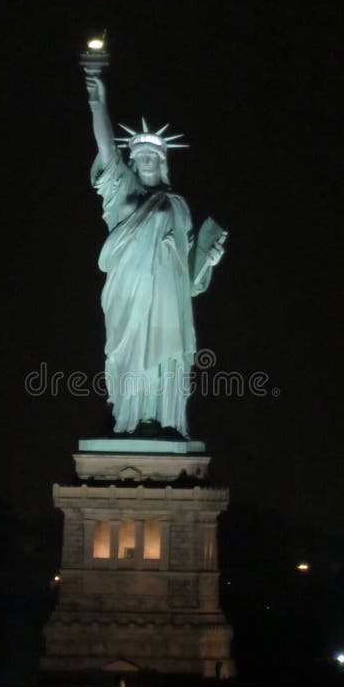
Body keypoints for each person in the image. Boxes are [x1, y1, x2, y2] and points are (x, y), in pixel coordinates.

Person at [86, 73, 224, 438]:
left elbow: (188, 272)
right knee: (130, 354)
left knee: (165, 357)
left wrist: (207, 259)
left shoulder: (177, 205)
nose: (147, 160)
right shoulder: (123, 191)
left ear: (163, 161)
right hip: (129, 294)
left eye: (154, 155)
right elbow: (105, 150)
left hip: (167, 296)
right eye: (140, 155)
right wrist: (98, 103)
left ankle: (165, 421)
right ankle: (128, 419)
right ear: (133, 161)